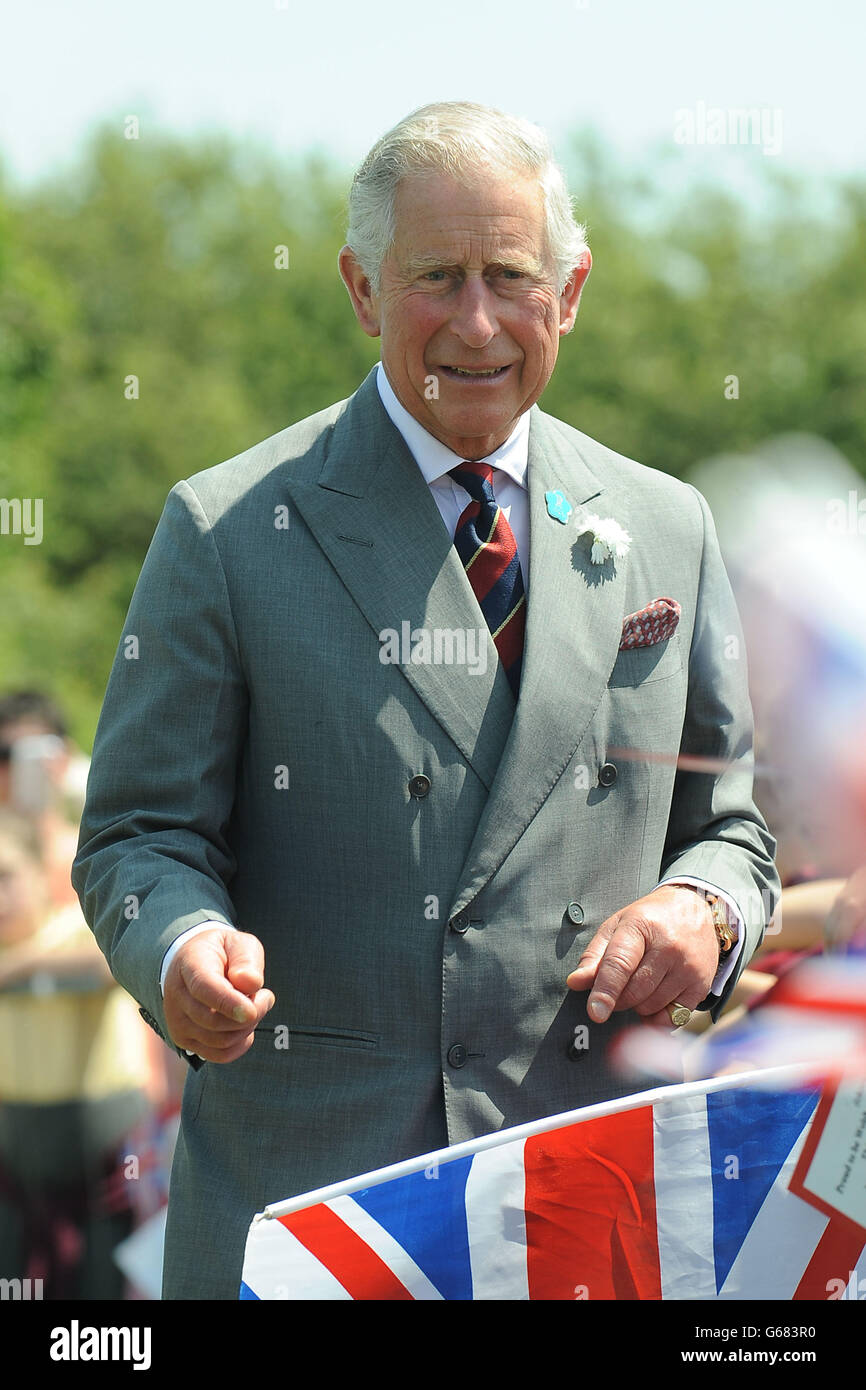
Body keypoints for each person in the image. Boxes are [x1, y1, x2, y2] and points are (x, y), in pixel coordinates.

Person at [72, 101, 780, 1300]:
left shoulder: (668, 525)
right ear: (359, 287)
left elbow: (732, 831)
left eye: (509, 277)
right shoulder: (229, 529)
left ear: (571, 289)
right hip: (314, 1225)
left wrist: (702, 913)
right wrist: (184, 946)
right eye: (433, 278)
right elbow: (141, 835)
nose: (474, 322)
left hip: (590, 1211)